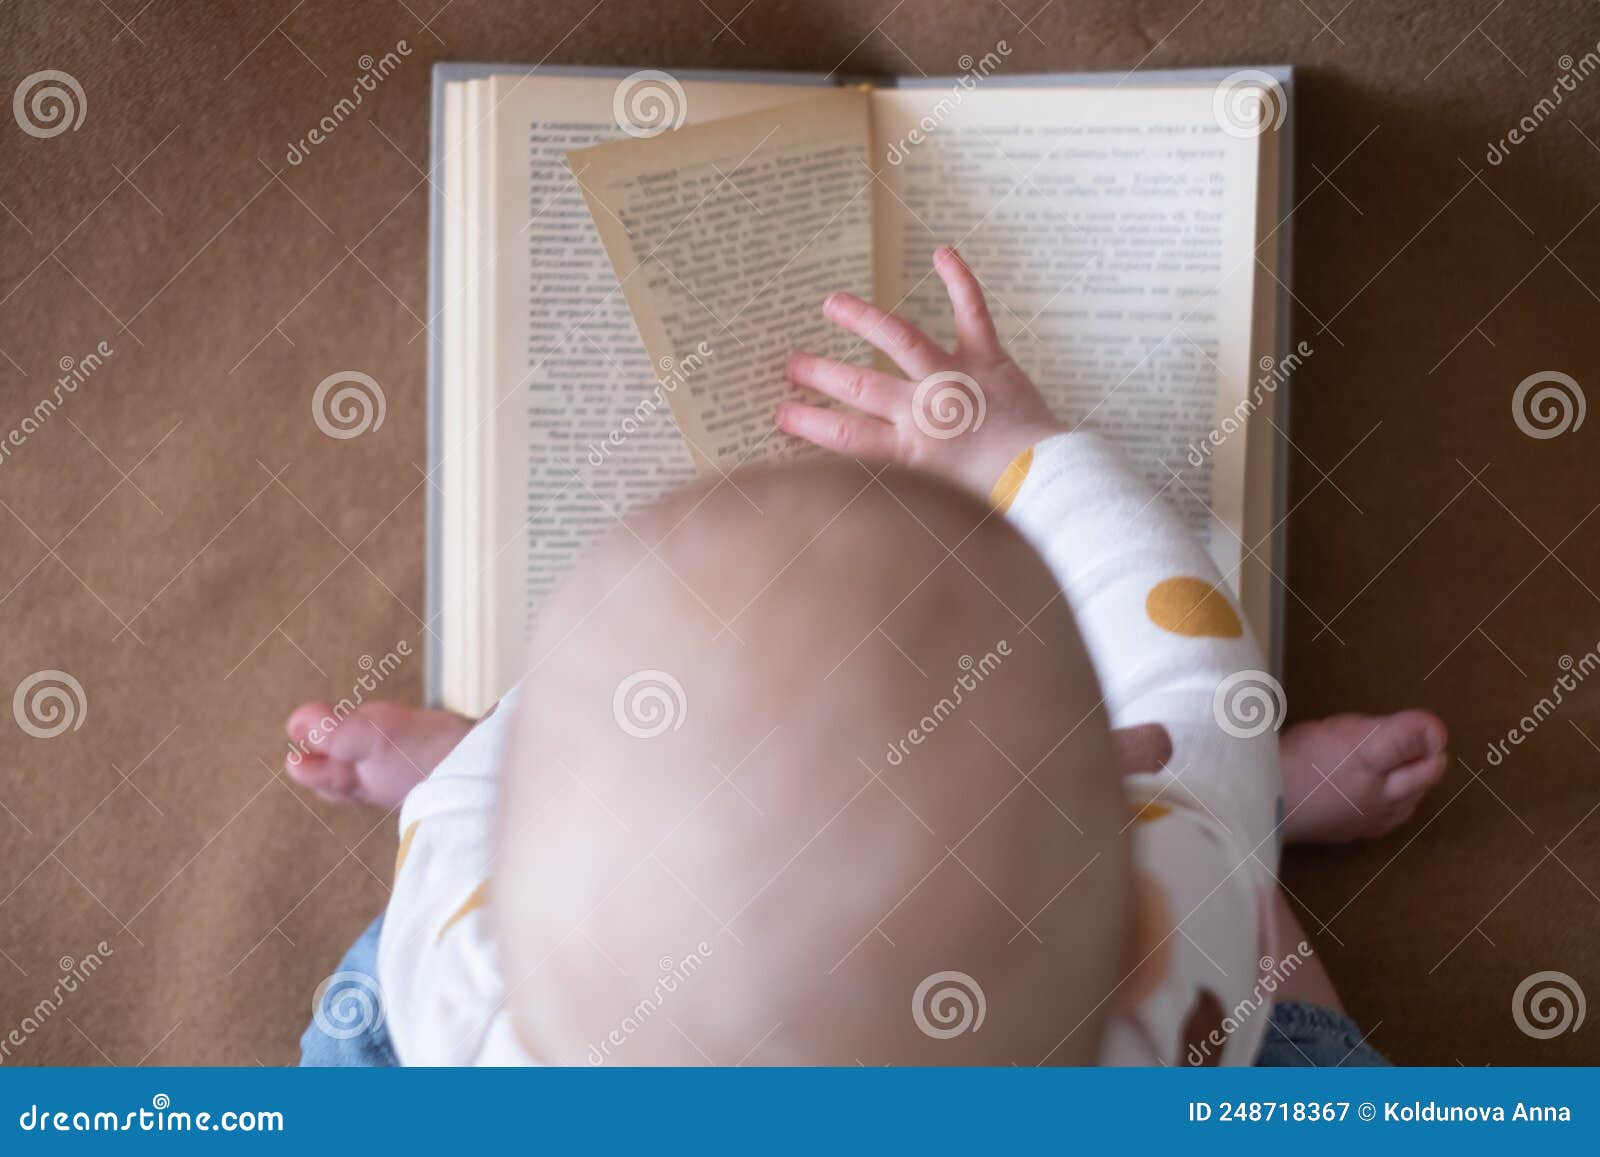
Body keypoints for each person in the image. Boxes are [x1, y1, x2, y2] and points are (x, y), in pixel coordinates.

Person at [290, 250, 1446, 1066]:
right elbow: (1197, 683)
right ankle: (1239, 819)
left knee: (383, 1011)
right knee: (1236, 907)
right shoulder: (1151, 984)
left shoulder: (481, 1017)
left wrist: (481, 768)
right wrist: (1015, 451)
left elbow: (456, 839)